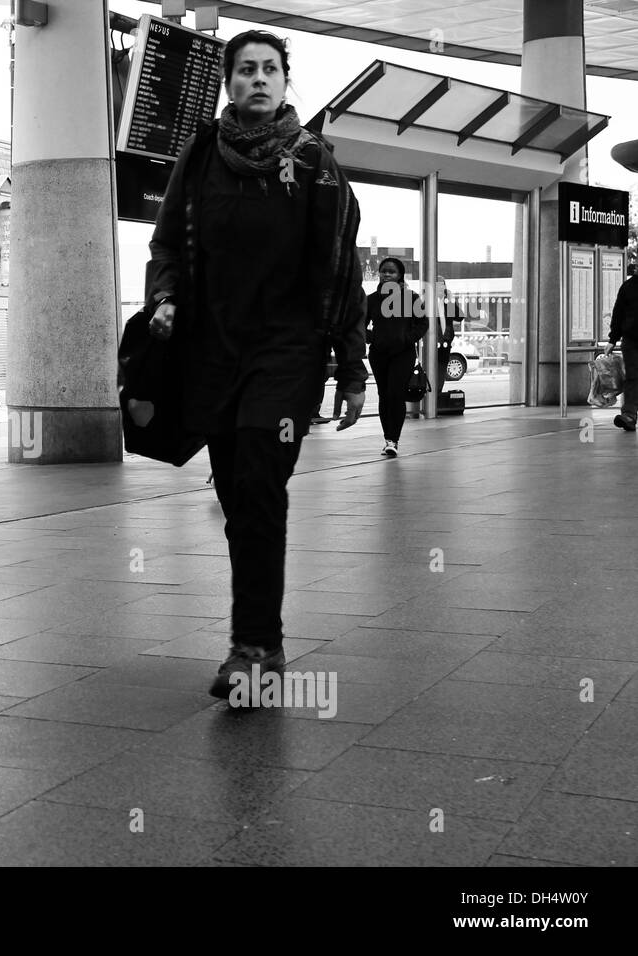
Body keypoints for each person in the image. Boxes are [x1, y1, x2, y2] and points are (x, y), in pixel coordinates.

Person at [145, 29, 368, 702]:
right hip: (215, 353)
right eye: (246, 70)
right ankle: (260, 639)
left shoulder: (318, 167)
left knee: (259, 483)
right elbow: (167, 244)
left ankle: (252, 646)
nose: (259, 80)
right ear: (229, 82)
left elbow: (341, 273)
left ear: (284, 80)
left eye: (270, 69)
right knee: (236, 493)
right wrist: (165, 297)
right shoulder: (202, 157)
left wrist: (352, 369)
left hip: (287, 354)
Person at [365, 257, 426, 457]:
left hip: (403, 353)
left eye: (391, 272)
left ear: (400, 275)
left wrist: (406, 339)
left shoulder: (411, 298)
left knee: (395, 393)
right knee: (384, 394)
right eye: (384, 271)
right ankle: (388, 439)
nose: (387, 274)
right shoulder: (372, 299)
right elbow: (360, 325)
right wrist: (374, 338)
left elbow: (422, 324)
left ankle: (394, 440)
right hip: (379, 354)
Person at [605, 267, 638, 431]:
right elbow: (618, 313)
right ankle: (629, 415)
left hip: (631, 339)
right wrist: (613, 339)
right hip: (632, 341)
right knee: (632, 377)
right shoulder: (628, 287)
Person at [434, 276, 461, 392]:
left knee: (441, 370)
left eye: (442, 285)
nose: (440, 287)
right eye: (437, 284)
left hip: (444, 343)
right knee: (429, 370)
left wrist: (450, 300)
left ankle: (438, 393)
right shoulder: (427, 302)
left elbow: (459, 317)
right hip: (430, 343)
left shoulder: (447, 304)